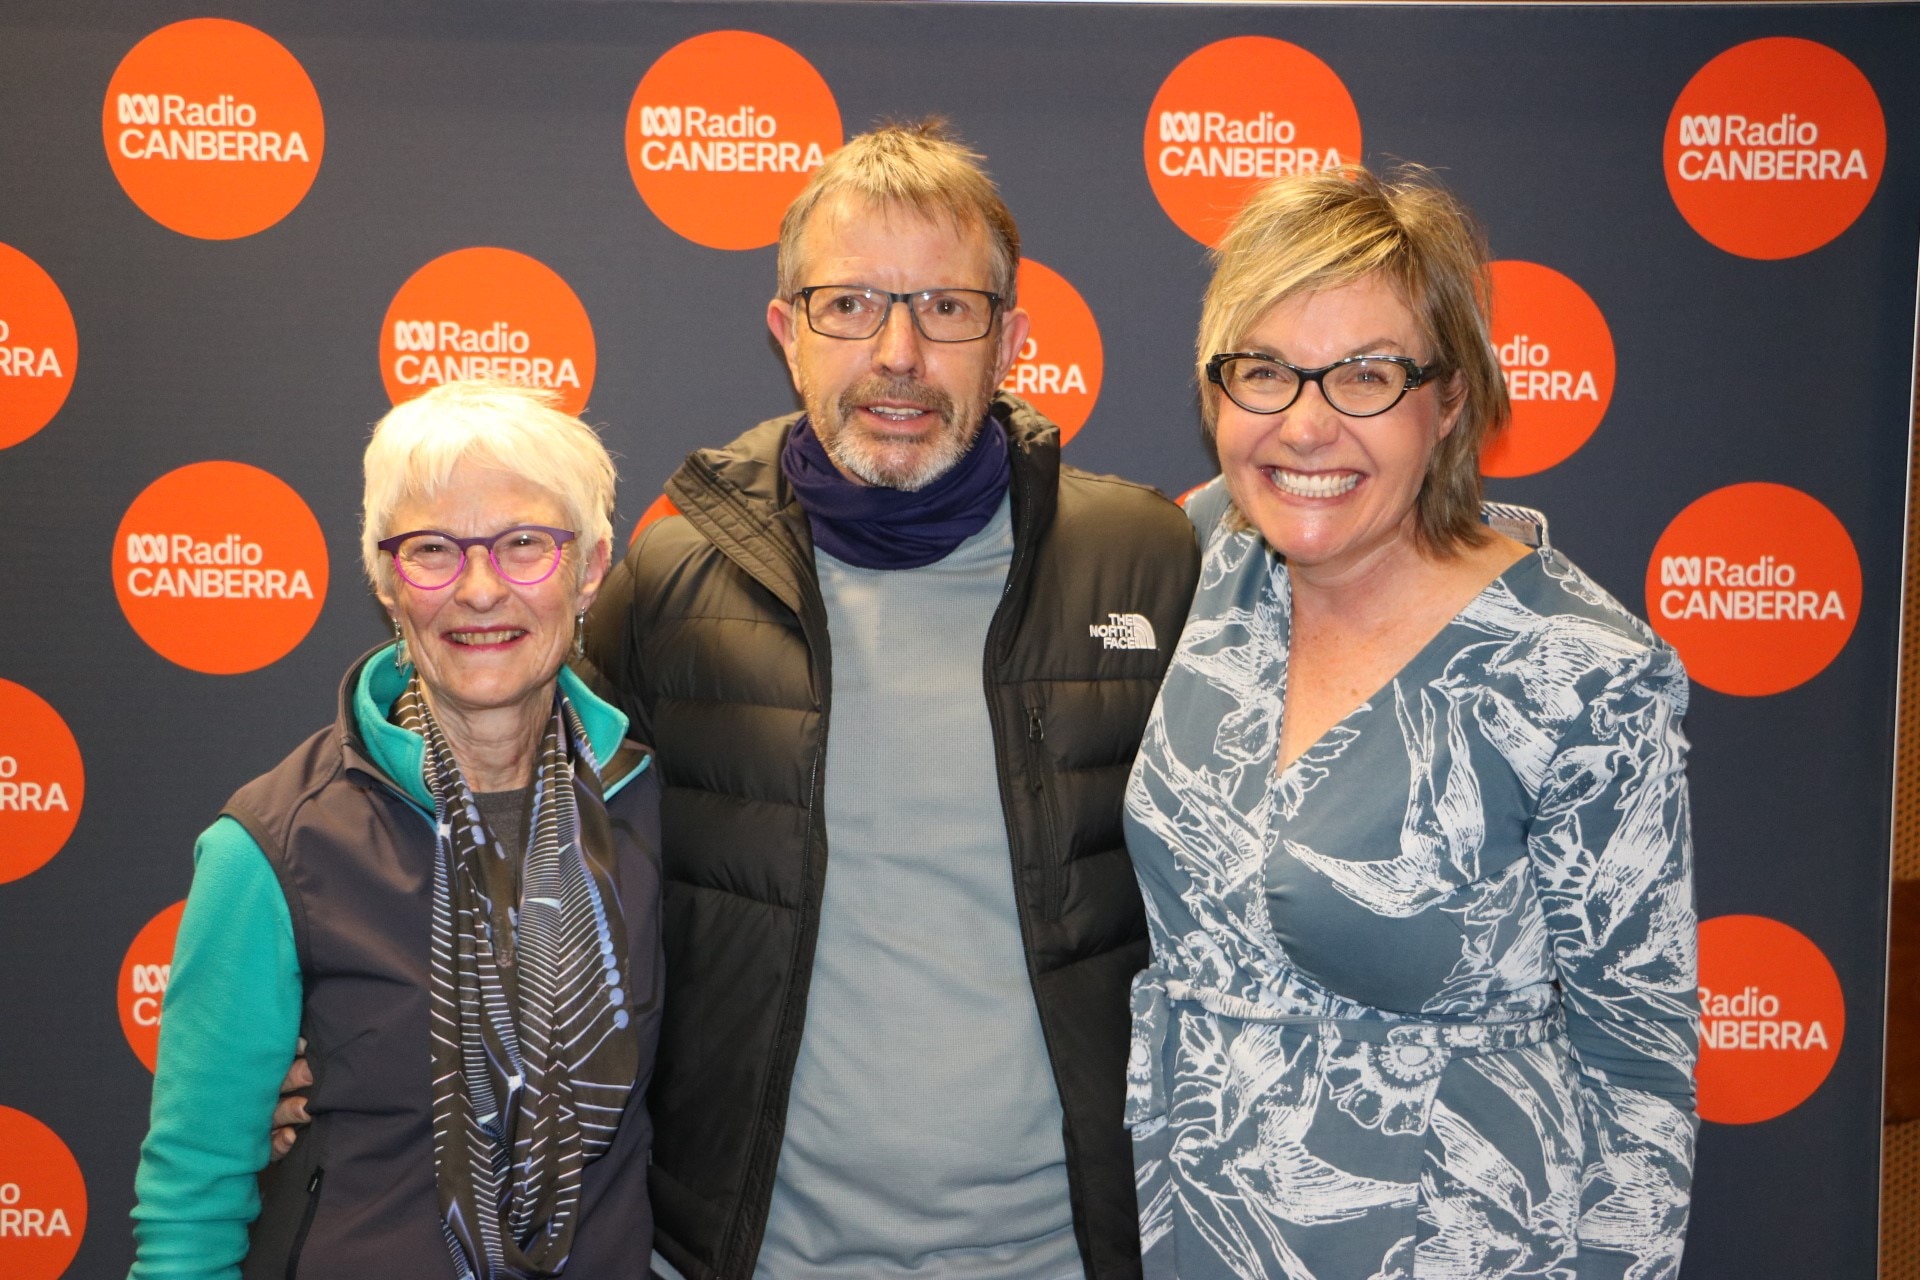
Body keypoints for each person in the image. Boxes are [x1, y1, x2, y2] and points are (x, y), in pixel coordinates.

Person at [585, 121, 1200, 1279]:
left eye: (947, 307)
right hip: (751, 1256)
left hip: (1064, 1258)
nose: (899, 353)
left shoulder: (1149, 561)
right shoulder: (670, 584)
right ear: (788, 334)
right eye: (851, 305)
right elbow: (536, 855)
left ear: (1009, 339)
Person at [1123, 167, 1698, 1278]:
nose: (1306, 425)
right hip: (1185, 1230)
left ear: (1450, 402)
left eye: (1366, 376)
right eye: (1264, 371)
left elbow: (1640, 1071)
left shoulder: (1582, 675)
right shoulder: (1197, 560)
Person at [131, 381, 663, 1279]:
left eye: (525, 545)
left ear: (591, 569)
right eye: (432, 551)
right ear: (385, 581)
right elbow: (191, 1206)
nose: (481, 590)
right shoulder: (274, 845)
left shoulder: (645, 803)